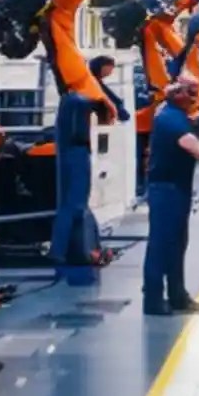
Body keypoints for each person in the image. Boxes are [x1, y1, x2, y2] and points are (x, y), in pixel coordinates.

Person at [143, 78, 199, 315]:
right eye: (192, 94)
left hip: (177, 188)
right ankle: (153, 300)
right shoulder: (171, 119)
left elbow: (196, 122)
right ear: (178, 94)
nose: (194, 99)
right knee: (161, 245)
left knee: (177, 243)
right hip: (166, 190)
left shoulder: (172, 113)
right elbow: (192, 146)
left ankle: (178, 296)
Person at [49, 91, 109, 266]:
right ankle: (59, 250)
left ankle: (90, 246)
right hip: (78, 156)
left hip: (69, 154)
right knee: (75, 205)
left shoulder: (67, 103)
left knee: (74, 205)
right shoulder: (78, 102)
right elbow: (104, 109)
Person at [88, 55, 133, 124]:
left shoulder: (94, 80)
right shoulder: (93, 81)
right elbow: (111, 98)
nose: (111, 71)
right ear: (103, 67)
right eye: (111, 67)